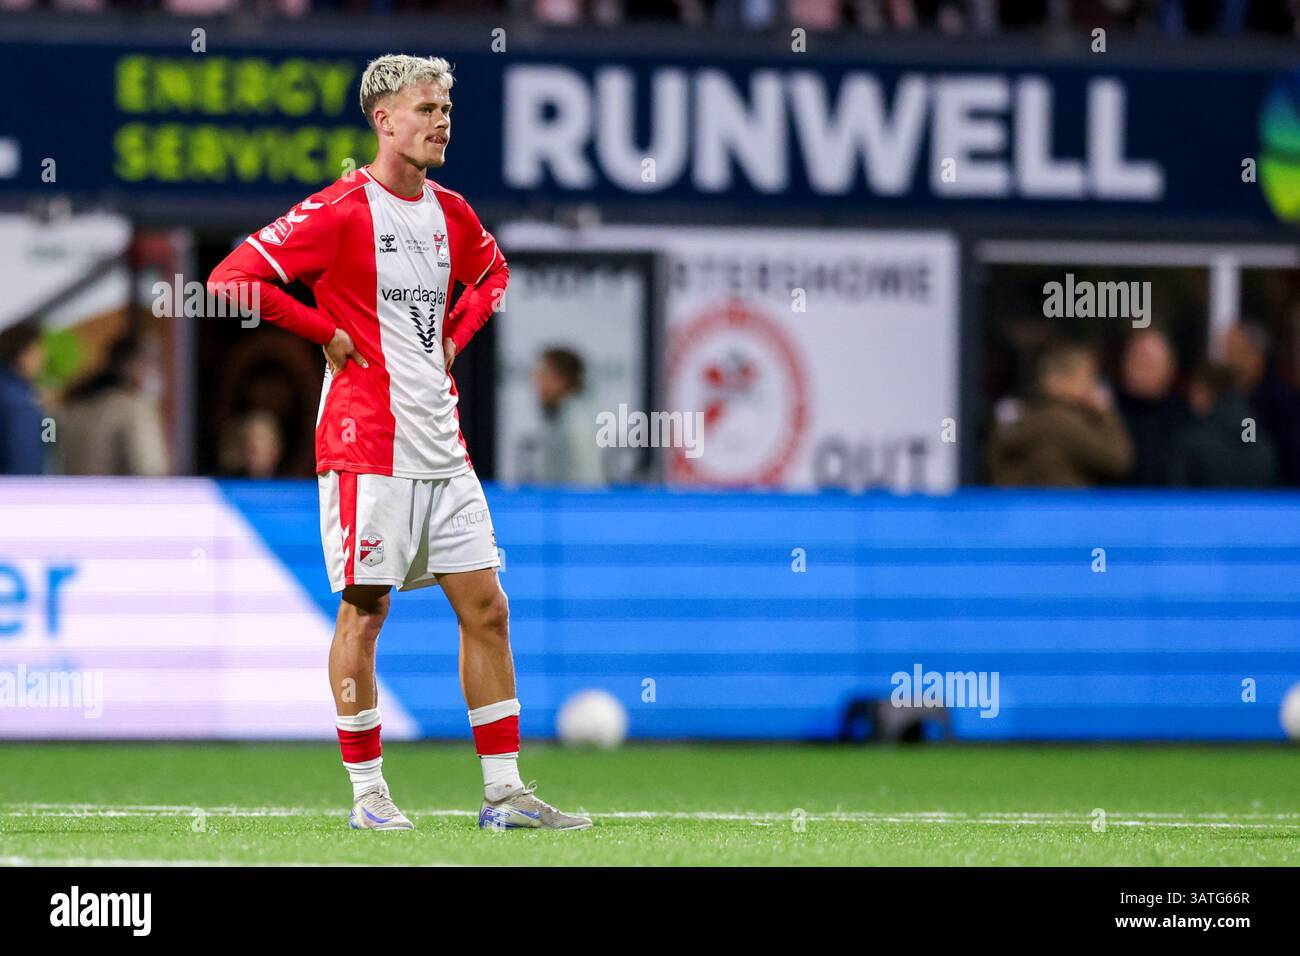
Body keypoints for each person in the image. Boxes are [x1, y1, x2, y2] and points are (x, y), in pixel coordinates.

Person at [207, 54, 589, 832]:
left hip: (442, 446)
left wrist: (456, 333)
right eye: (425, 108)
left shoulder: (452, 212)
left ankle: (505, 793)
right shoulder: (342, 209)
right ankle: (370, 796)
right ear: (383, 120)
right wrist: (323, 331)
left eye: (446, 107)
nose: (441, 121)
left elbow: (495, 273)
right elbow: (230, 277)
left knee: (487, 608)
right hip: (365, 444)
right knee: (367, 609)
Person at [986, 341, 1134, 487]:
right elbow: (1118, 461)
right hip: (1065, 507)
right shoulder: (1063, 422)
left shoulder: (1023, 414)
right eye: (1088, 378)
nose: (1092, 387)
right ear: (1063, 380)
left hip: (1021, 506)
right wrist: (1105, 413)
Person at [58, 335, 170, 476]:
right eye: (151, 364)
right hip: (122, 497)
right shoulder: (134, 409)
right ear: (130, 367)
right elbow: (149, 469)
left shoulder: (78, 405)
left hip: (75, 495)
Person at [1171, 363, 1277, 487]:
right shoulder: (1256, 432)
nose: (1190, 399)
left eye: (1194, 391)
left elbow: (1178, 493)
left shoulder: (1193, 441)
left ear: (1203, 393)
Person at [1223, 319, 1300, 486]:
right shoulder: (1224, 398)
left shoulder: (1282, 401)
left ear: (1255, 356)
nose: (1227, 359)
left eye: (1234, 351)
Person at [1115, 328, 1185, 486]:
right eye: (1136, 361)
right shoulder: (1108, 412)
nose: (1140, 371)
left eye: (1149, 364)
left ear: (1170, 369)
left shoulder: (1184, 418)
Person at [534, 347, 605, 485]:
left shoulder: (577, 423)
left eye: (544, 373)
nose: (537, 379)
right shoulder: (558, 417)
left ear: (563, 379)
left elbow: (588, 481)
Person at [0, 319, 48, 475]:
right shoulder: (19, 404)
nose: (43, 356)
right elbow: (25, 468)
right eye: (39, 348)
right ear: (24, 352)